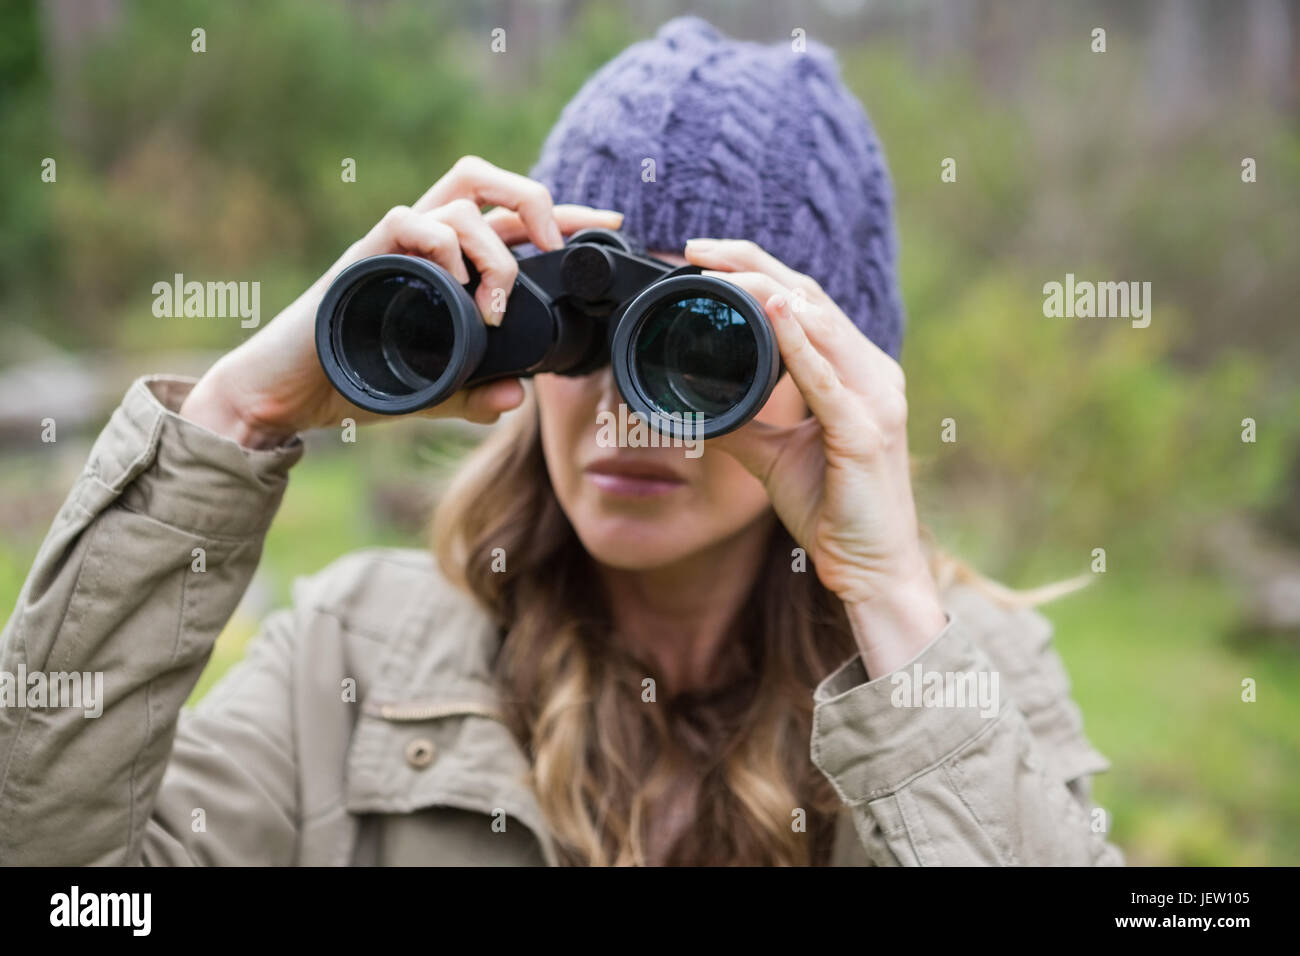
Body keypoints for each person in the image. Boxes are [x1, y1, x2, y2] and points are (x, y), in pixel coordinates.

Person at [0, 16, 1122, 866]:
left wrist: (886, 595)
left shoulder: (963, 673)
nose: (632, 407)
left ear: (832, 383)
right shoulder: (348, 658)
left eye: (699, 351)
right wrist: (236, 413)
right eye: (582, 337)